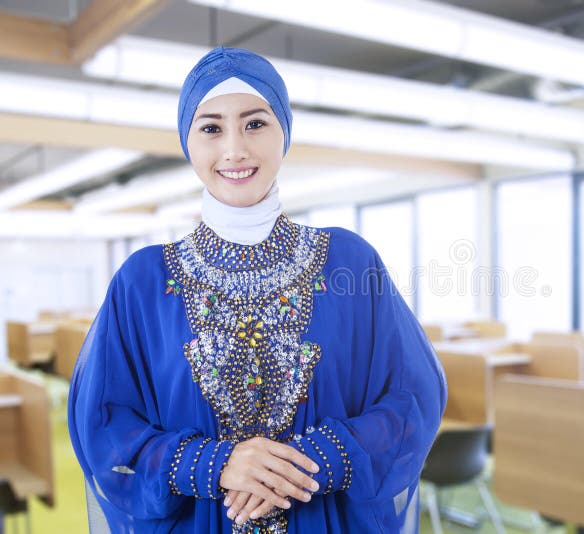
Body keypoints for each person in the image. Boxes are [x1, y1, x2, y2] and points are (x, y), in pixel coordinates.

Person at [68, 46, 447, 534]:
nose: (235, 149)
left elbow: (412, 399)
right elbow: (103, 428)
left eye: (255, 124)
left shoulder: (351, 263)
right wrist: (214, 464)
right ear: (187, 141)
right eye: (211, 128)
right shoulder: (141, 282)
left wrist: (308, 461)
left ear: (284, 131)